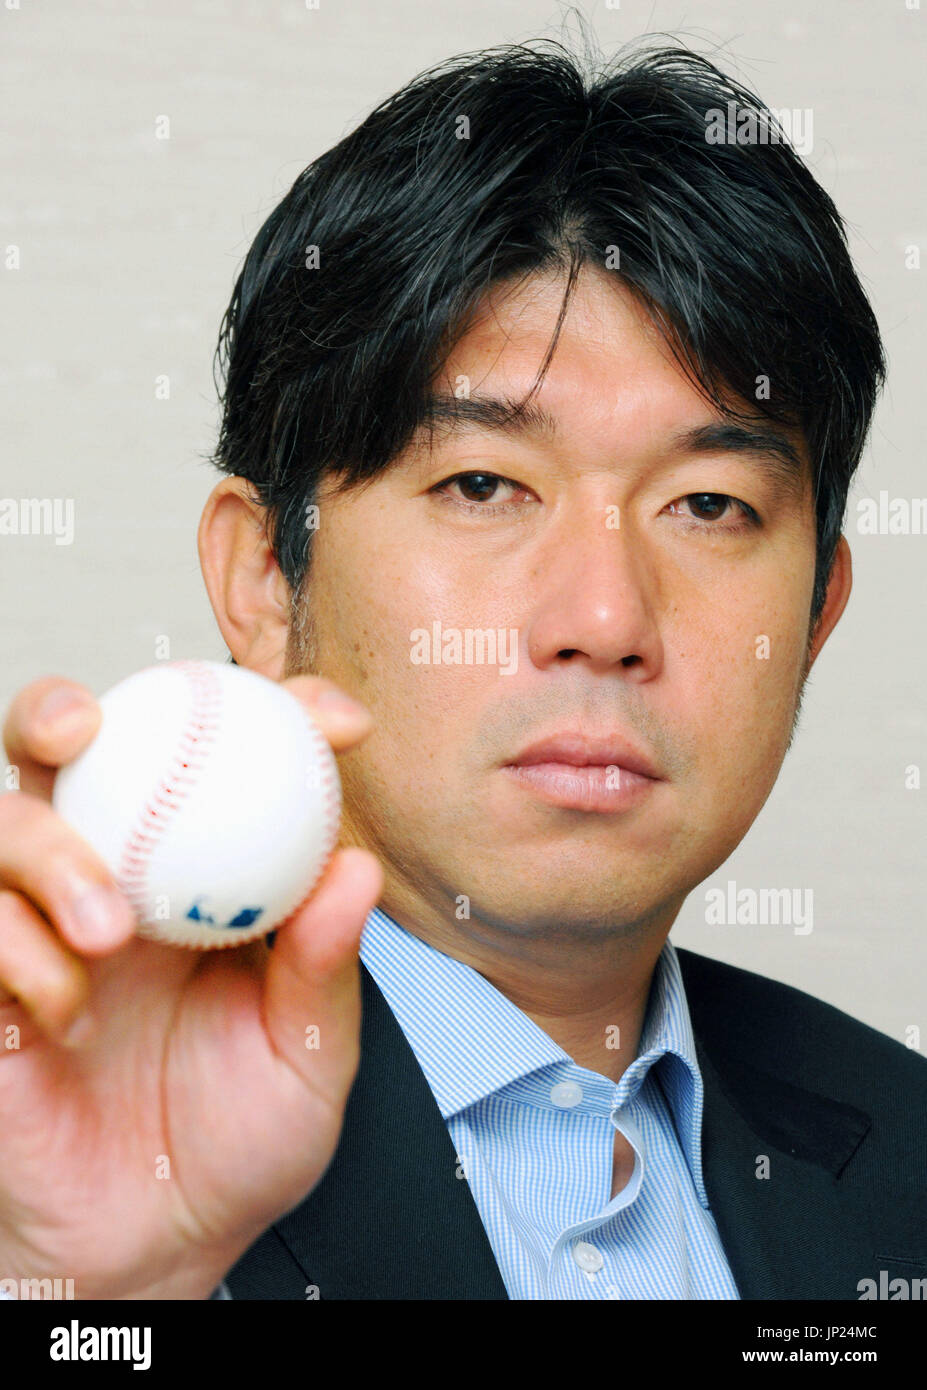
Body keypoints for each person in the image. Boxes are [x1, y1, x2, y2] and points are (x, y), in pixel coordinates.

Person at [1, 37, 924, 1302]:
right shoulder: (53, 1136)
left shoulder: (903, 1154)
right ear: (267, 578)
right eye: (483, 483)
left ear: (818, 607)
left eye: (708, 504)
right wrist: (76, 1295)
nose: (605, 616)